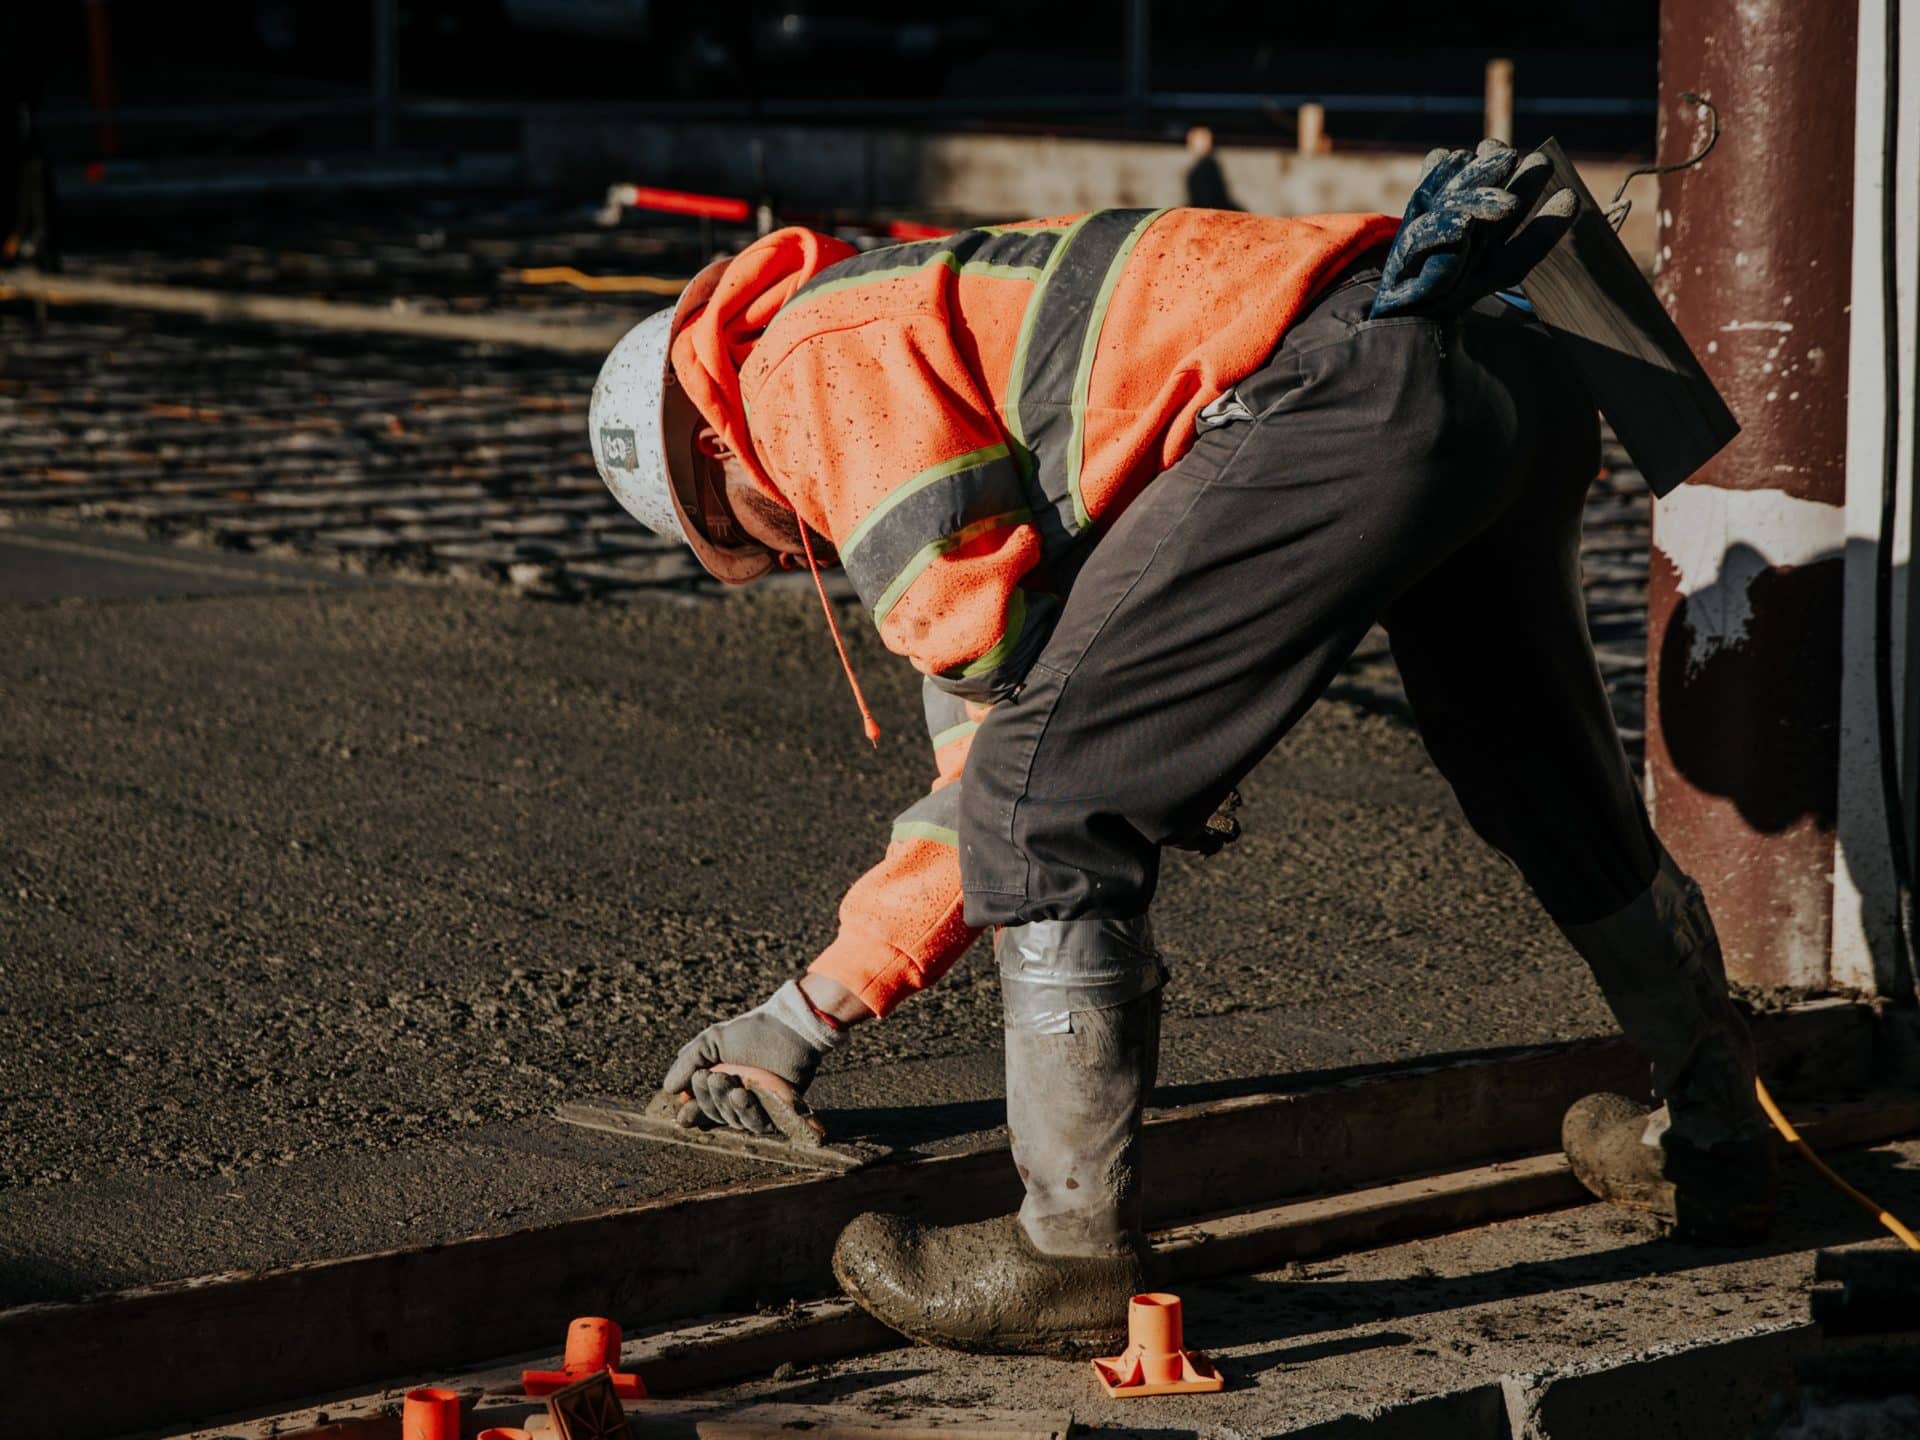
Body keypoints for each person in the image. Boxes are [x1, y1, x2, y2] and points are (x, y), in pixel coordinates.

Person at [586, 142, 1777, 1357]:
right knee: (1544, 780)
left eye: (745, 538)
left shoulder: (806, 379)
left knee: (1048, 806)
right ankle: (1718, 1129)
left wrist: (802, 1015)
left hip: (1349, 384)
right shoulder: (916, 316)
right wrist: (813, 1010)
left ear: (713, 453)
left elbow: (1009, 764)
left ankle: (1068, 1253)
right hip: (1496, 359)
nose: (792, 559)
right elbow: (1018, 703)